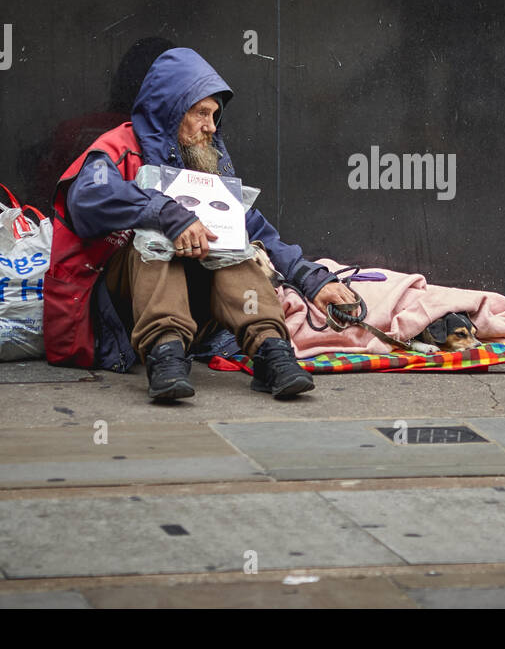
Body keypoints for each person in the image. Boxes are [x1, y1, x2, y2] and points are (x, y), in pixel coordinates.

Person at [42, 47, 356, 401]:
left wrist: (312, 281)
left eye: (215, 115)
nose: (211, 126)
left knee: (234, 242)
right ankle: (165, 355)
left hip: (193, 312)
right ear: (171, 110)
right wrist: (169, 215)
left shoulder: (202, 157)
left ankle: (271, 352)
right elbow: (87, 198)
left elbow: (249, 223)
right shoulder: (117, 146)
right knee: (157, 238)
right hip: (118, 312)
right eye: (201, 113)